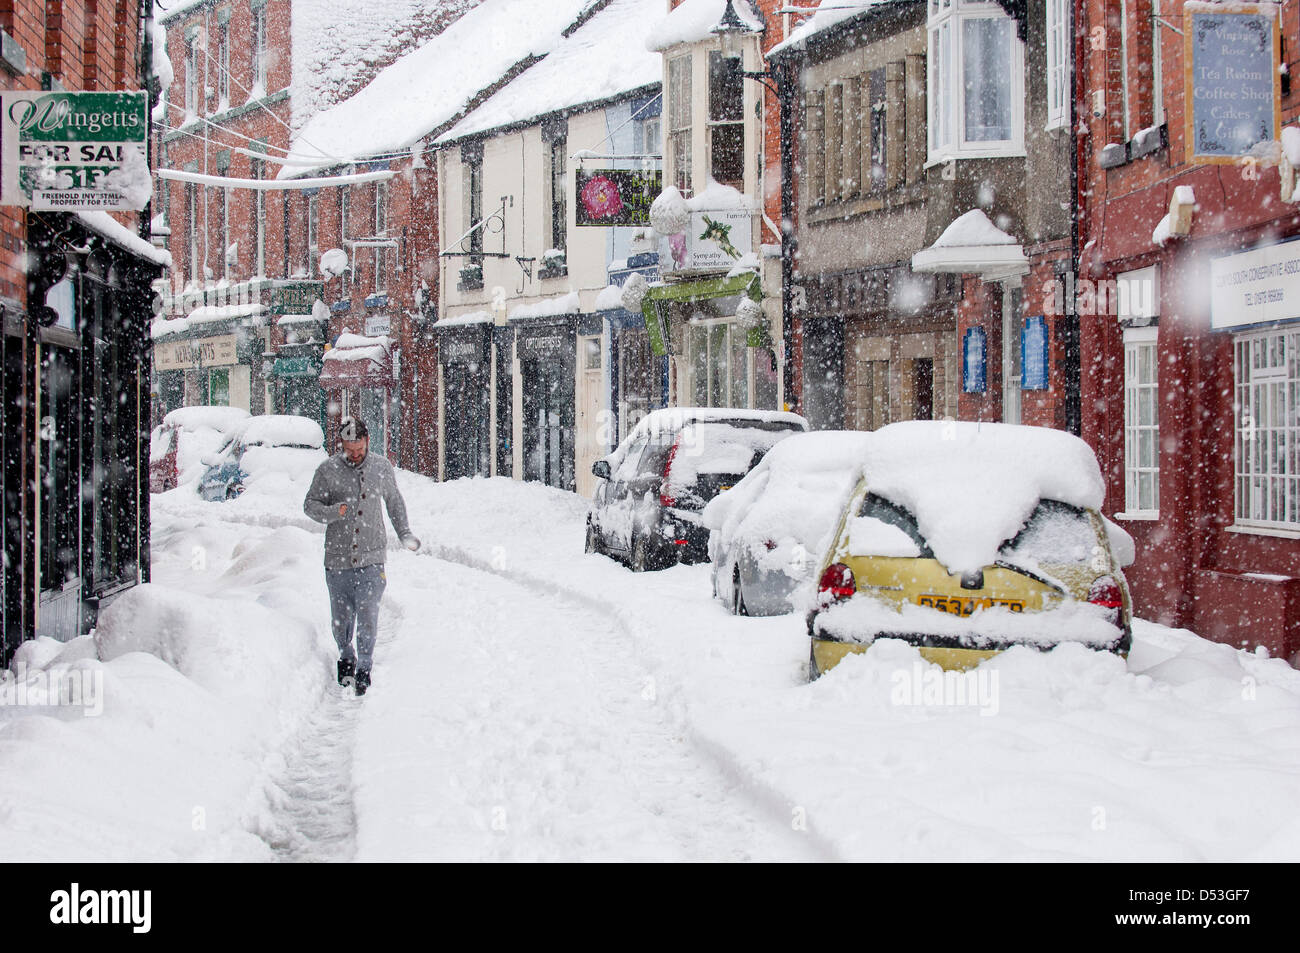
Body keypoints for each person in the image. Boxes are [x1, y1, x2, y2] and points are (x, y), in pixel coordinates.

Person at [303, 416, 419, 695]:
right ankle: (346, 656)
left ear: (367, 441)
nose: (355, 455)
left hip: (371, 556)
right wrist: (333, 512)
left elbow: (394, 501)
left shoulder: (381, 468)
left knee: (368, 613)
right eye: (349, 450)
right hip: (338, 558)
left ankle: (365, 666)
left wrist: (404, 533)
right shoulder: (328, 470)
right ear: (341, 444)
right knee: (341, 617)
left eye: (359, 449)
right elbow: (310, 505)